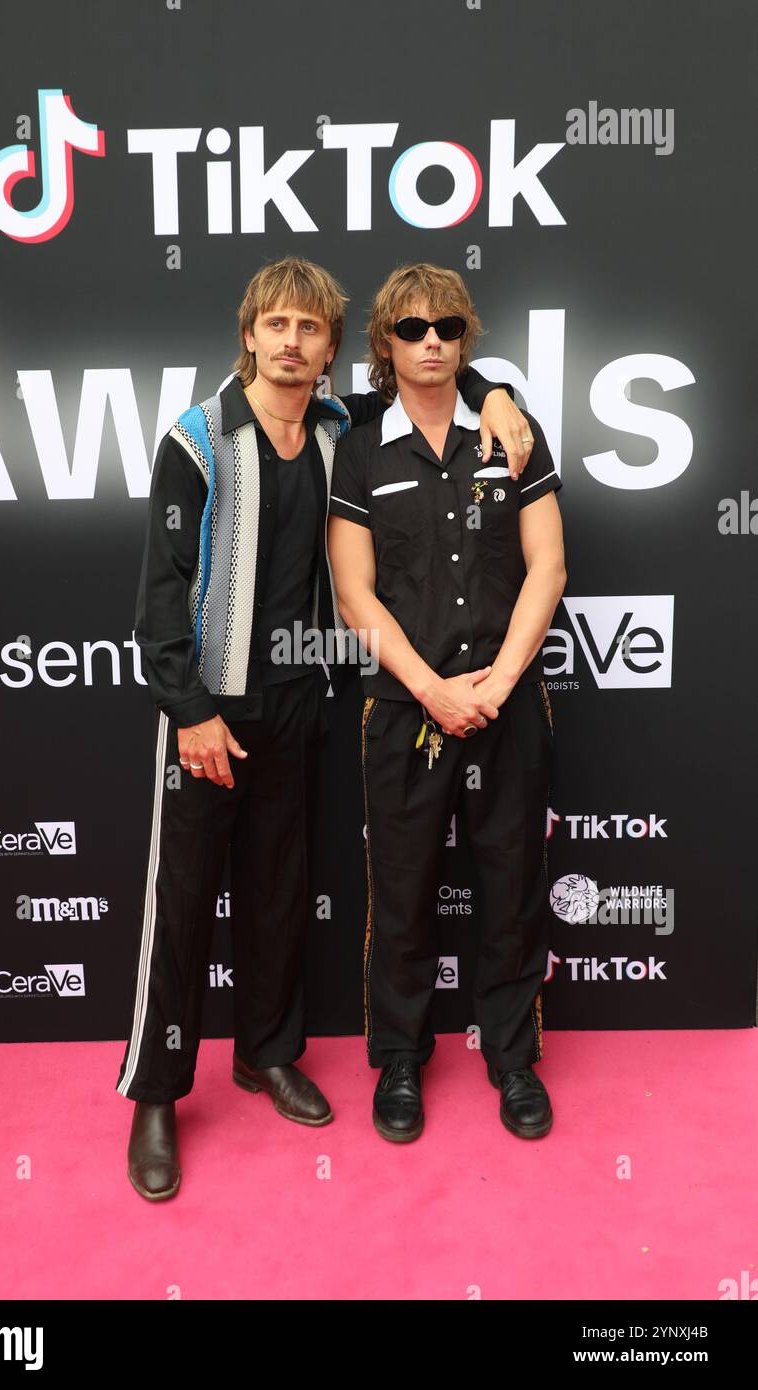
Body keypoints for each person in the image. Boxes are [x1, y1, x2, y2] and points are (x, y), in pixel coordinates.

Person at [116, 256, 535, 1200]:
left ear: (333, 350)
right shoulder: (197, 440)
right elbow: (159, 597)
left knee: (278, 892)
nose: (293, 343)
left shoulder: (343, 428)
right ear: (250, 334)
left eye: (311, 330)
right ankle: (156, 1097)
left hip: (300, 705)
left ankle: (265, 1055)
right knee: (181, 911)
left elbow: (432, 367)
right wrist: (189, 712)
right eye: (278, 326)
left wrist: (494, 389)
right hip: (209, 713)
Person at [327, 262, 566, 1144]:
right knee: (402, 891)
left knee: (512, 883)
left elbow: (550, 568)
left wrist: (497, 686)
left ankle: (512, 1057)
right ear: (385, 344)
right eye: (413, 328)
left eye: (449, 328)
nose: (432, 341)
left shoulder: (511, 431)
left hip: (506, 703)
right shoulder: (358, 445)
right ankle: (399, 1058)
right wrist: (431, 691)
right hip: (403, 707)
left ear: (468, 338)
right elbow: (355, 594)